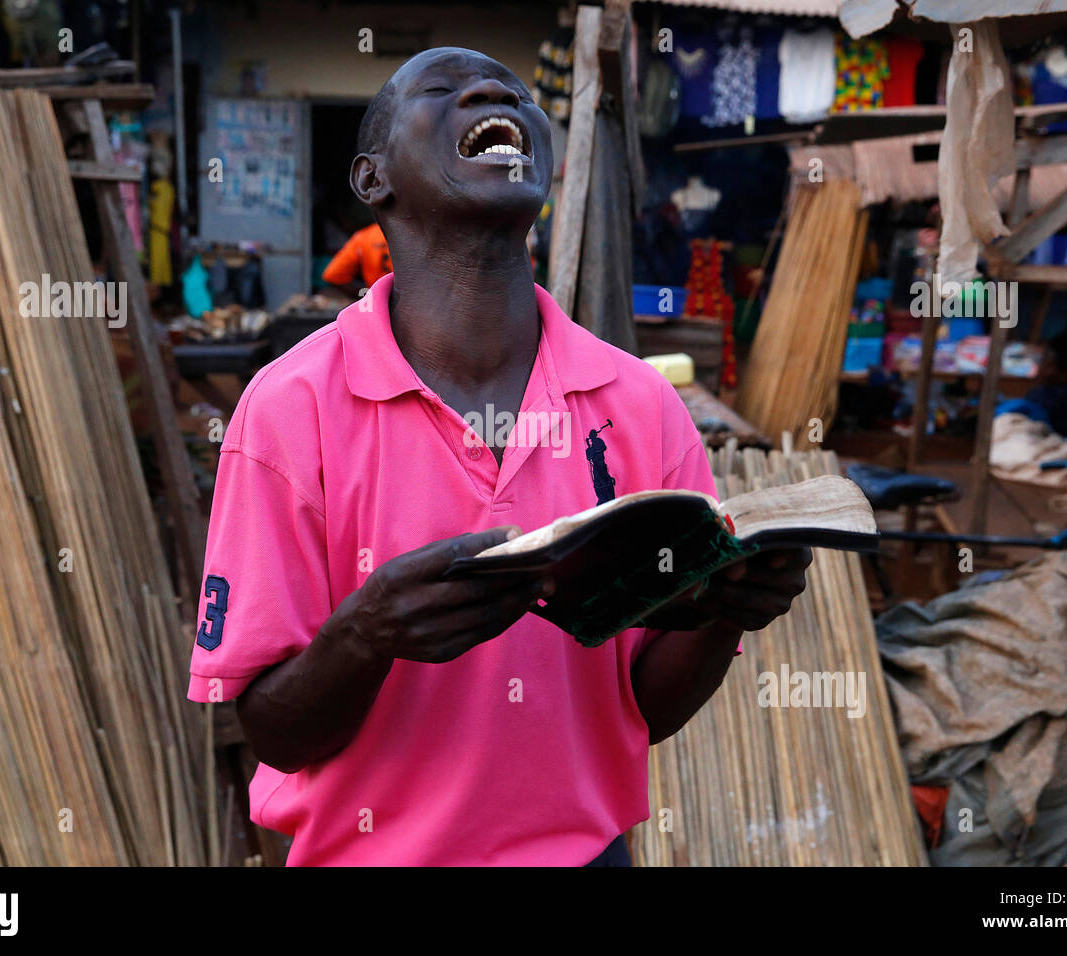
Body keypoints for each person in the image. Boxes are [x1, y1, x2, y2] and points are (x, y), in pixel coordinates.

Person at [186, 47, 811, 866]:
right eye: (441, 90)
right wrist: (367, 636)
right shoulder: (290, 408)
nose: (492, 92)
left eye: (514, 91)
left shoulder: (639, 406)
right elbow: (274, 731)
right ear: (374, 181)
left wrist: (730, 607)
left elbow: (643, 714)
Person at [320, 220, 392, 298]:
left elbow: (333, 275)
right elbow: (332, 276)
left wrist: (369, 296)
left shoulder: (365, 236)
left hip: (378, 298)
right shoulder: (404, 234)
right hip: (404, 298)